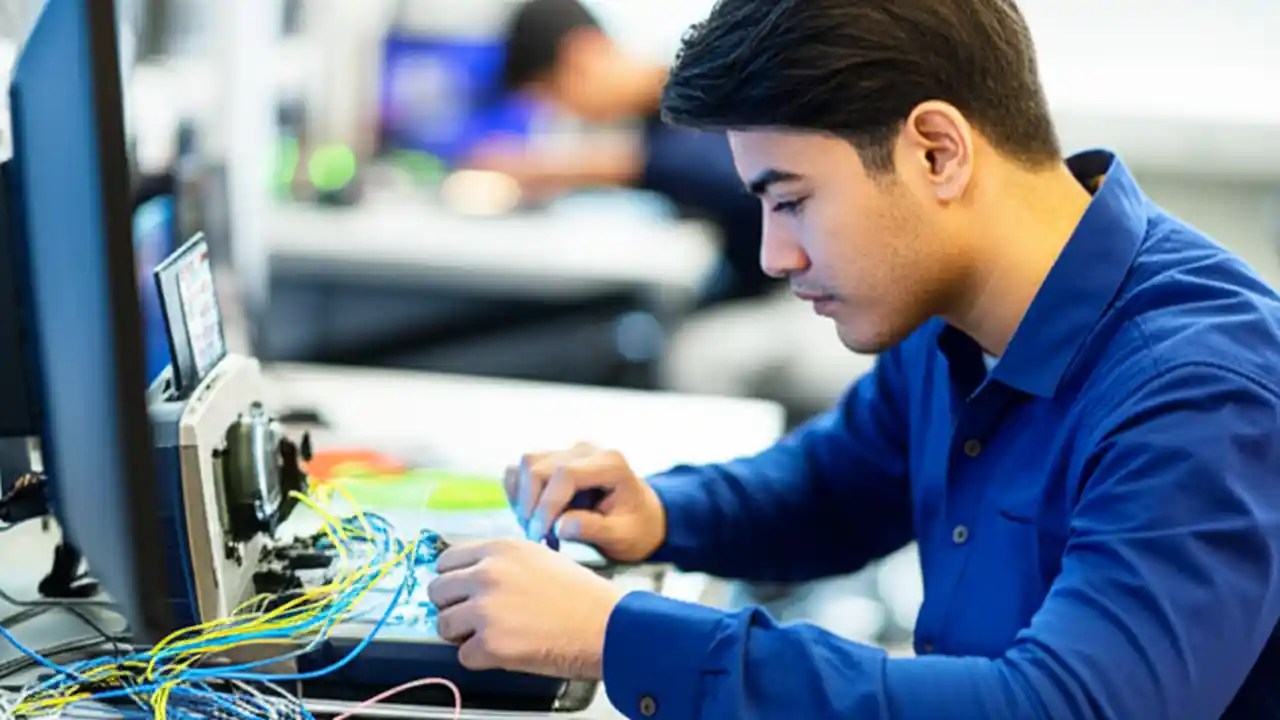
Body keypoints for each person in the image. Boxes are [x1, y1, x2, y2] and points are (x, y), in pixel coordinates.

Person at [427, 0, 1280, 717]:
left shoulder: (1197, 388)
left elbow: (1062, 707)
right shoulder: (948, 309)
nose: (774, 256)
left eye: (792, 201)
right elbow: (835, 488)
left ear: (936, 152)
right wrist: (661, 513)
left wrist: (616, 634)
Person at [468, 0, 772, 303]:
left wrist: (558, 170)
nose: (568, 111)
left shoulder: (706, 82)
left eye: (554, 94)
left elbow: (737, 178)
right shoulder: (659, 118)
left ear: (581, 56)